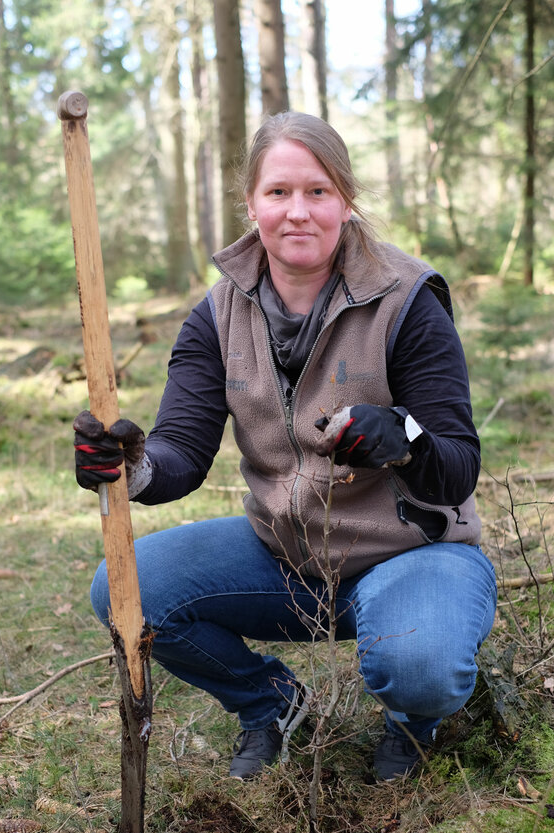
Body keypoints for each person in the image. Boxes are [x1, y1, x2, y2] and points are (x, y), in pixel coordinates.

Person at [73, 111, 497, 782]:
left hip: (413, 553)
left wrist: (404, 438)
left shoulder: (409, 300)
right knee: (125, 589)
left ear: (345, 201)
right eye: (278, 193)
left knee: (420, 665)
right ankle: (271, 704)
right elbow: (179, 455)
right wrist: (129, 467)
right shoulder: (216, 315)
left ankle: (414, 722)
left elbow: (458, 465)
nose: (297, 212)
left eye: (318, 192)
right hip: (285, 553)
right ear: (252, 205)